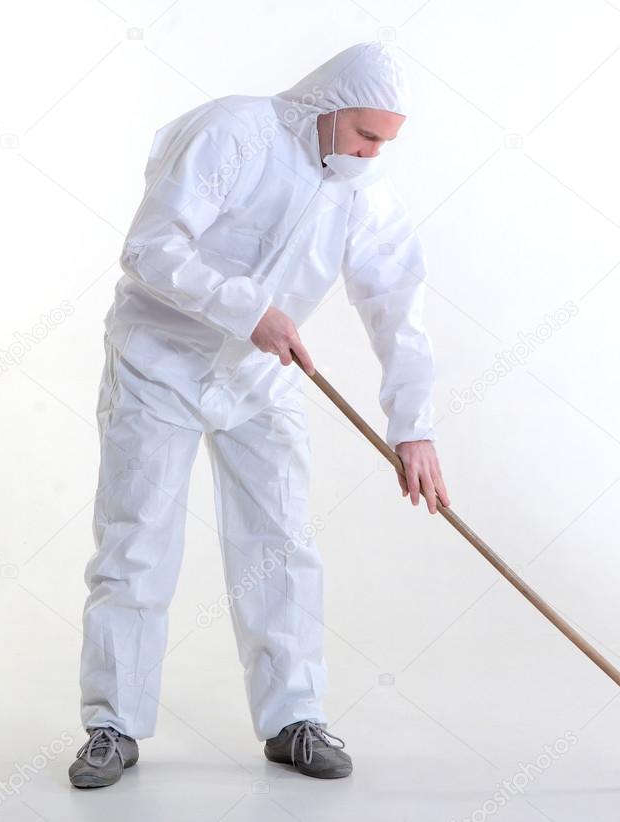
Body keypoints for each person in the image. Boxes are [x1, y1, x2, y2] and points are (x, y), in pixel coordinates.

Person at [69, 41, 450, 789]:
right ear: (325, 105)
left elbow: (397, 306)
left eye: (384, 143)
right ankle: (111, 724)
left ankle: (292, 720)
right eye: (365, 135)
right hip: (160, 363)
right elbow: (150, 247)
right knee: (136, 541)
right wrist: (249, 310)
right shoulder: (234, 133)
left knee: (280, 545)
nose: (372, 154)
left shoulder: (362, 192)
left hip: (259, 377)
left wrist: (415, 426)